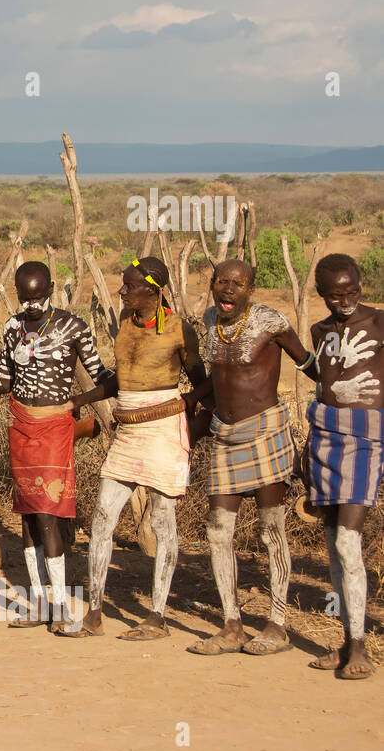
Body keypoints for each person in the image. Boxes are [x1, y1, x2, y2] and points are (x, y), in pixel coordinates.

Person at [64, 256, 207, 639]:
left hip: (163, 432)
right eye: (123, 285)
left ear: (152, 289)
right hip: (128, 432)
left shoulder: (179, 330)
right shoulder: (126, 326)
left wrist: (187, 411)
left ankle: (157, 617)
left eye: (128, 286)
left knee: (163, 522)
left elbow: (203, 383)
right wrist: (83, 399)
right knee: (102, 519)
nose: (122, 291)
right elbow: (120, 382)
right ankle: (94, 613)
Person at [0, 260, 111, 628]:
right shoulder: (13, 328)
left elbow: (105, 378)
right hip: (21, 429)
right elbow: (5, 379)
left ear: (50, 289)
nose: (31, 305)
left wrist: (77, 402)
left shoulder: (72, 327)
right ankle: (39, 605)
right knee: (28, 517)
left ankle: (60, 607)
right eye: (25, 297)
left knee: (47, 515)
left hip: (55, 430)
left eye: (38, 297)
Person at [187, 259, 315, 656]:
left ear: (250, 290)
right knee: (217, 529)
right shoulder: (210, 319)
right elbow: (220, 374)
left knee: (269, 528)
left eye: (237, 284)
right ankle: (232, 625)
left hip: (266, 434)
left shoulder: (270, 322)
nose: (227, 290)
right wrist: (193, 398)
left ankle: (277, 626)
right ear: (212, 284)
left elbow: (307, 363)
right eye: (221, 282)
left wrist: (341, 395)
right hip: (225, 437)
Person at [304, 254, 378, 680]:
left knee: (350, 542)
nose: (346, 301)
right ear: (321, 295)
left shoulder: (380, 323)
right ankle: (347, 641)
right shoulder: (320, 331)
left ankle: (362, 646)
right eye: (336, 295)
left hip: (366, 438)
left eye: (352, 292)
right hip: (325, 436)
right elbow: (323, 385)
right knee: (333, 543)